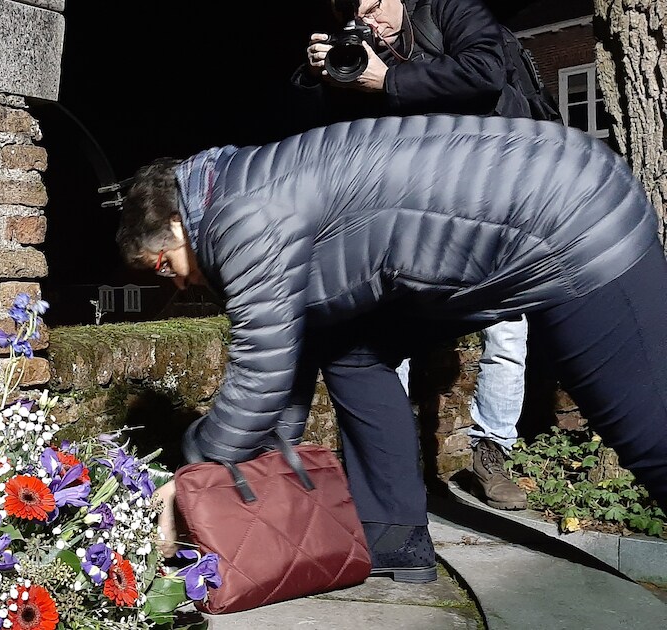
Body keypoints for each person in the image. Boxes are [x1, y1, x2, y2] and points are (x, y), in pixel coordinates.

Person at [127, 115, 667, 584]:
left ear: (178, 222)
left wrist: (193, 470)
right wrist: (267, 472)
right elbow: (292, 355)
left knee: (652, 437)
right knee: (351, 349)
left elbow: (261, 371)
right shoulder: (241, 188)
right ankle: (395, 539)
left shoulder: (242, 216)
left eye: (161, 266)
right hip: (530, 212)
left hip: (575, 214)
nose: (176, 284)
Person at [294, 0, 555, 509]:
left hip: (491, 191)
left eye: (375, 4)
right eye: (358, 10)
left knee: (506, 327)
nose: (370, 17)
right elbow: (316, 126)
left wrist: (387, 80)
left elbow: (485, 70)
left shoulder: (451, 9)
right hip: (411, 204)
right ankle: (392, 464)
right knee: (387, 329)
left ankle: (491, 450)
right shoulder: (361, 45)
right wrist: (316, 74)